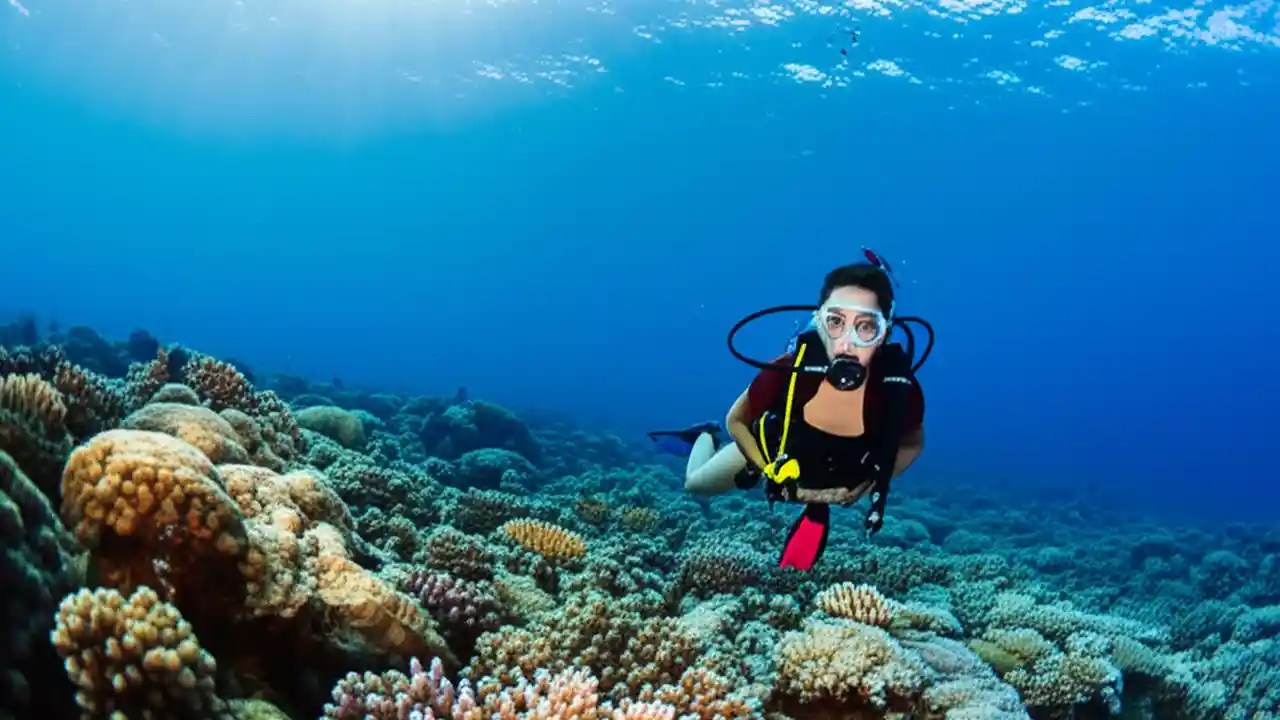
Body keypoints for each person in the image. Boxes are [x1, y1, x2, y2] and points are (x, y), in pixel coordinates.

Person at [649, 251, 929, 570]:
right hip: (773, 450)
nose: (846, 344)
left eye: (866, 327)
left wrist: (874, 481)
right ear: (819, 322)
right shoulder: (789, 369)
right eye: (835, 322)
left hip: (838, 466)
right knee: (695, 485)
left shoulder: (897, 389)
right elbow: (736, 420)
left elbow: (913, 442)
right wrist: (768, 471)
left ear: (885, 332)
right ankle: (703, 436)